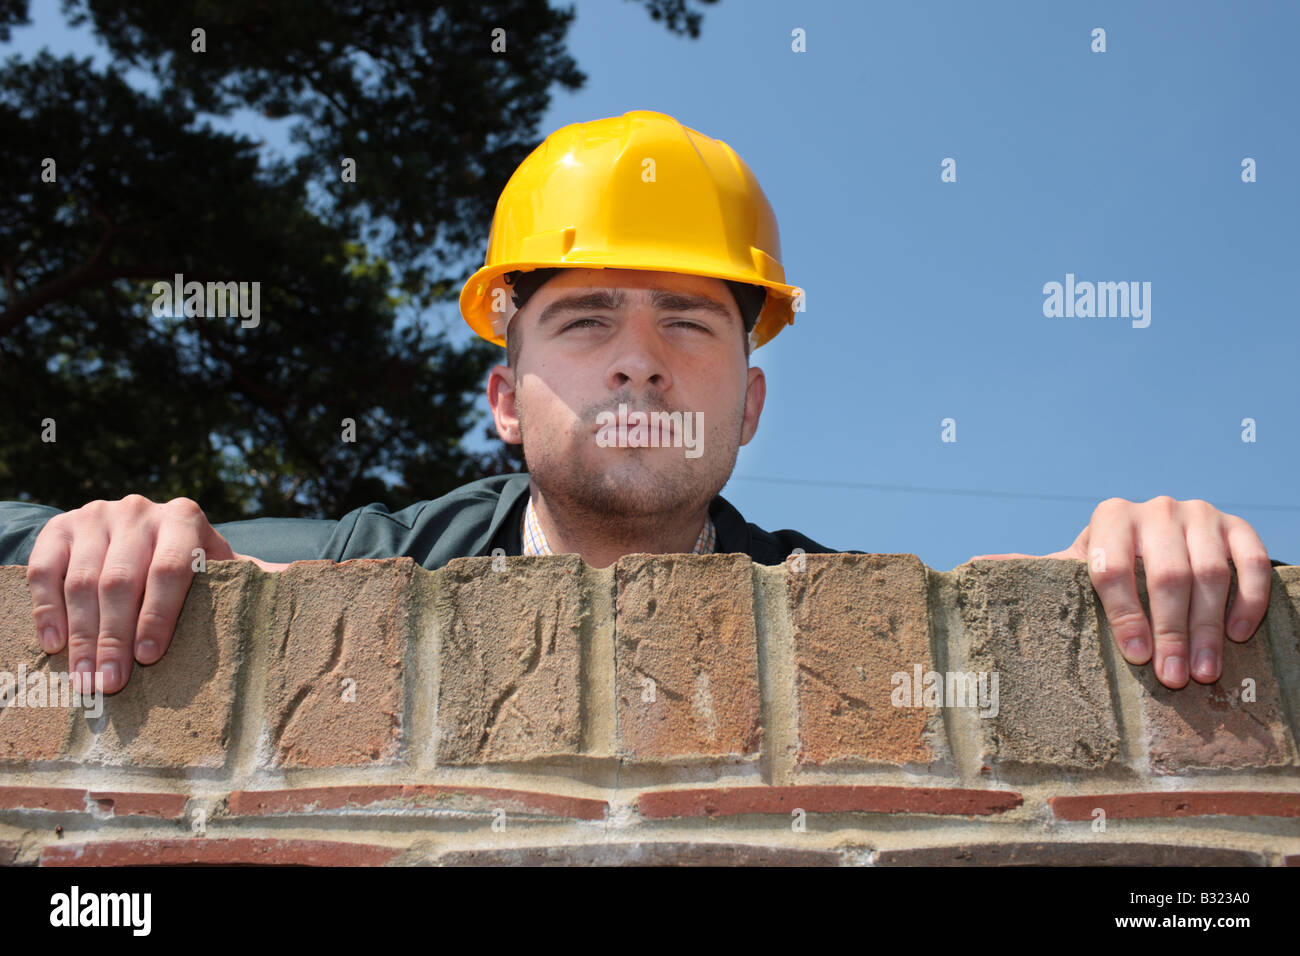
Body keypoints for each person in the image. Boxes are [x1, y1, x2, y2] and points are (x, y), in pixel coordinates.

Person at [0, 111, 1285, 698]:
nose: (638, 361)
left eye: (687, 320)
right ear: (505, 397)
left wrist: (1121, 563)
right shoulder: (372, 561)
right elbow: (178, 560)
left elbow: (991, 638)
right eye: (583, 320)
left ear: (751, 401)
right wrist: (116, 530)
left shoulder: (830, 610)